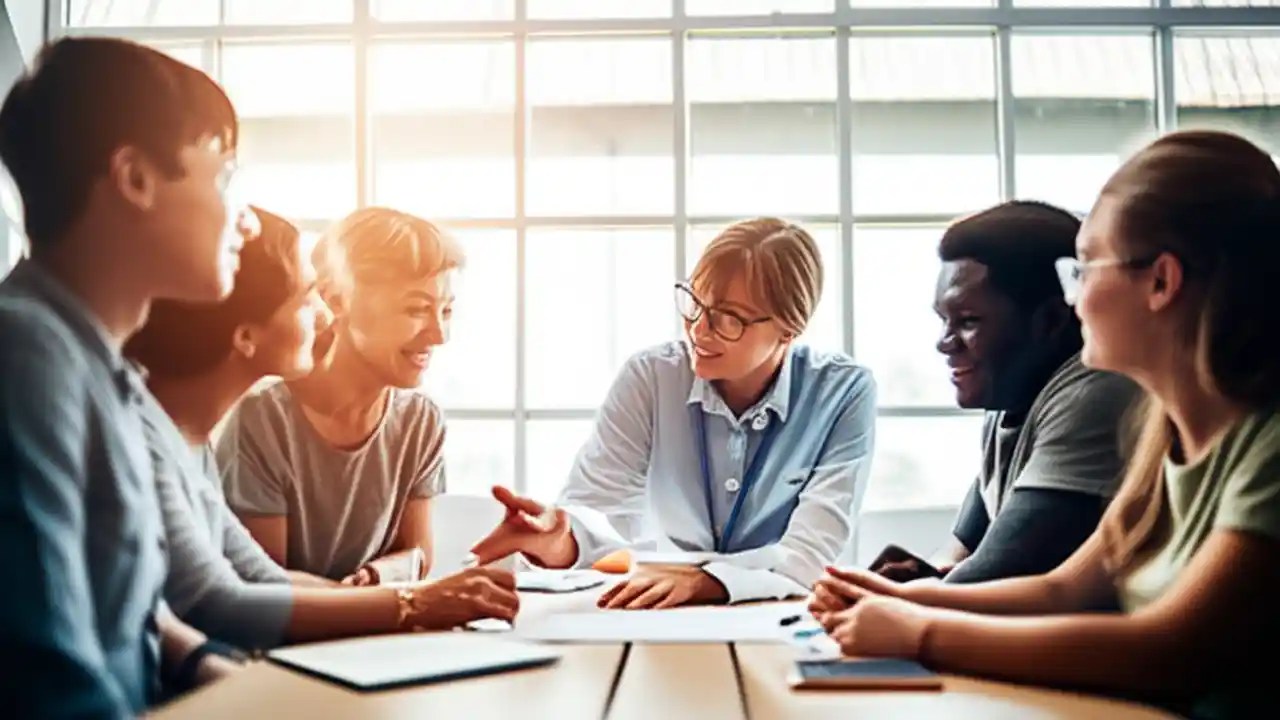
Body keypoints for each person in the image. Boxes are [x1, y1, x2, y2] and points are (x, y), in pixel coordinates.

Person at [809, 131, 1280, 719]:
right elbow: (1061, 588)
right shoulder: (1165, 437)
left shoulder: (1269, 448)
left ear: (1161, 281)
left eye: (1084, 269)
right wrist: (902, 598)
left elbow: (1172, 651)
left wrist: (919, 631)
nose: (1073, 299)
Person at [125, 207, 518, 649]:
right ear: (246, 336)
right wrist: (412, 604)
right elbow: (220, 603)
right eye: (307, 295)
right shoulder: (156, 439)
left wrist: (419, 597)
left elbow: (262, 578)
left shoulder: (191, 448)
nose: (324, 314)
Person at [0, 37, 254, 716]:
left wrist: (225, 675)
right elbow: (46, 674)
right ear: (135, 179)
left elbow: (124, 613)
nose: (246, 220)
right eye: (224, 177)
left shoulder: (101, 369)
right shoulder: (27, 356)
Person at [471, 218, 878, 609]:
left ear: (790, 328)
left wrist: (708, 581)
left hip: (779, 615)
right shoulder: (651, 376)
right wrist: (558, 539)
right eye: (696, 304)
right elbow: (596, 512)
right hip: (660, 608)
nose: (699, 329)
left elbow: (809, 556)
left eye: (728, 318)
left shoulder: (843, 392)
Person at [870, 201, 1139, 585]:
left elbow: (993, 574)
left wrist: (891, 595)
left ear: (1048, 321)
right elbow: (962, 554)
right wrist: (922, 577)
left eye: (968, 321)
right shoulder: (1008, 401)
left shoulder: (1093, 396)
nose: (945, 343)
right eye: (943, 320)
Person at [217, 207, 457, 584]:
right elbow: (267, 586)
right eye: (417, 309)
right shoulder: (264, 421)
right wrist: (389, 601)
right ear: (338, 300)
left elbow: (419, 555)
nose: (440, 334)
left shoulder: (420, 421)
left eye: (446, 310)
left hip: (376, 629)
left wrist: (376, 577)